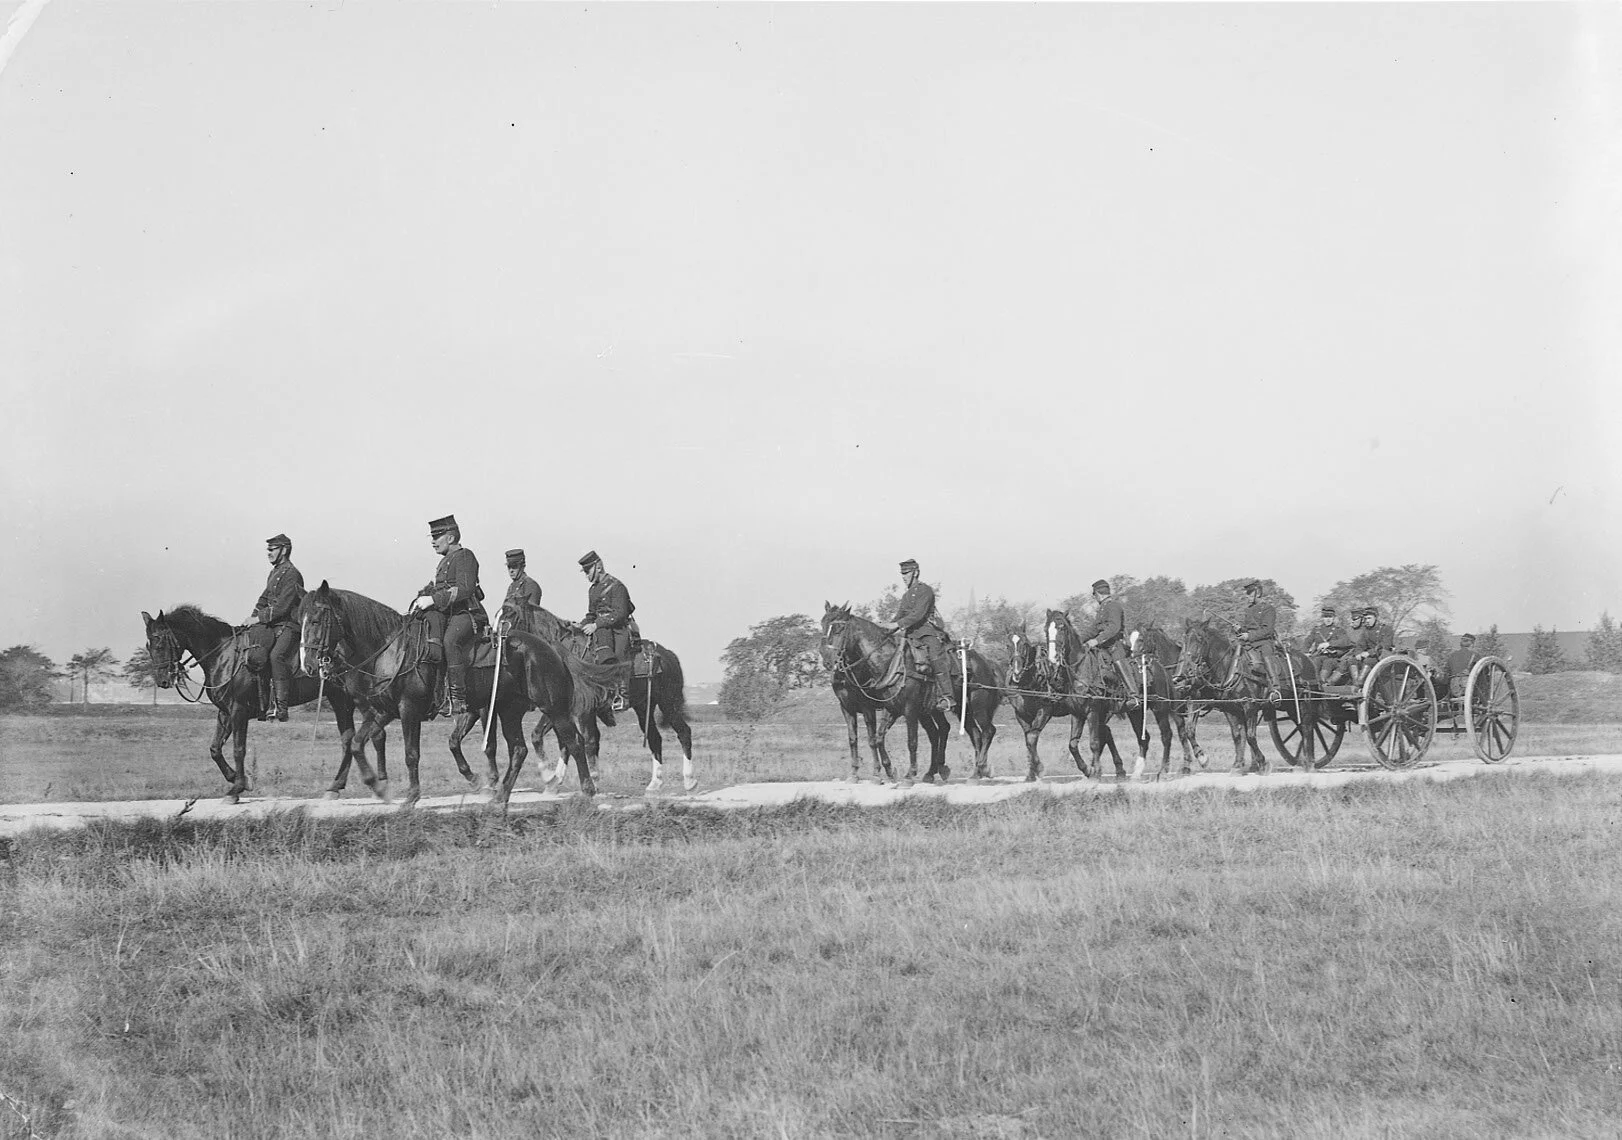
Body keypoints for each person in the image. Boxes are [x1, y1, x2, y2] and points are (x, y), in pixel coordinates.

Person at [409, 515, 487, 716]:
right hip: (448, 613)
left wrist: (433, 600)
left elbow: (464, 589)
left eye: (437, 536)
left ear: (450, 538)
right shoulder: (445, 560)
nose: (433, 541)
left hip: (467, 613)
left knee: (450, 641)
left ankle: (457, 699)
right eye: (432, 537)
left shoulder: (464, 556)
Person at [244, 533, 304, 722]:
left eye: (272, 549)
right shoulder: (275, 572)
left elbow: (282, 607)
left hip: (289, 625)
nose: (268, 553)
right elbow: (264, 599)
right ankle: (262, 704)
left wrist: (258, 619)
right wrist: (252, 617)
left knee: (275, 656)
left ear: (284, 550)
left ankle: (281, 707)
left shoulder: (292, 574)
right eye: (268, 550)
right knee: (255, 652)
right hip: (273, 625)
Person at [885, 558, 956, 712]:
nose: (903, 577)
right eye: (902, 574)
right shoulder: (906, 596)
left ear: (915, 572)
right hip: (909, 636)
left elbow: (918, 614)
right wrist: (885, 629)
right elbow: (899, 615)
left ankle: (947, 697)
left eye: (906, 573)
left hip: (926, 632)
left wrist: (897, 624)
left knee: (937, 658)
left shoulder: (925, 590)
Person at [579, 550, 635, 710]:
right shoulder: (593, 589)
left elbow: (620, 613)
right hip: (601, 630)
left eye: (588, 571)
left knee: (618, 655)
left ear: (598, 566)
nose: (587, 576)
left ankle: (622, 695)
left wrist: (597, 625)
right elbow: (591, 614)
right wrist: (581, 624)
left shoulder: (617, 587)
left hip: (618, 629)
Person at [1078, 579, 1140, 708]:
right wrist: (1078, 640)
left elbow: (1114, 628)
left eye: (1094, 595)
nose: (1094, 598)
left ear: (1098, 594)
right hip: (1102, 647)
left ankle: (1134, 696)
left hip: (1115, 645)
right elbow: (1094, 629)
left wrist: (1096, 640)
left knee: (1118, 660)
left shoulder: (1113, 606)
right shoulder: (1102, 608)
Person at [1234, 579, 1285, 701]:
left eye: (1250, 594)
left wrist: (1249, 636)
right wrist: (1240, 629)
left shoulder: (1268, 609)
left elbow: (1268, 630)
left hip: (1264, 642)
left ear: (1258, 593)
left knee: (1267, 657)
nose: (1248, 597)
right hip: (1248, 643)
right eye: (1247, 594)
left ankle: (1275, 690)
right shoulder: (1249, 609)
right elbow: (1247, 628)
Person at [1303, 606, 1355, 685]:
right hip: (1319, 655)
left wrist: (1329, 644)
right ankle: (1312, 683)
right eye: (1326, 617)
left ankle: (1321, 684)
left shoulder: (1339, 630)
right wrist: (1305, 652)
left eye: (1330, 617)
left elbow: (1345, 642)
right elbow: (1308, 641)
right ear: (1322, 618)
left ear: (1334, 618)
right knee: (1313, 662)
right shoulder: (1317, 630)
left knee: (1326, 663)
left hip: (1333, 657)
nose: (1328, 619)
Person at [502, 548, 543, 632]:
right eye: (509, 567)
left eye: (514, 567)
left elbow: (530, 617)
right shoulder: (512, 587)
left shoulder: (530, 585)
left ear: (523, 566)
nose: (511, 570)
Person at [1445, 633, 1483, 699]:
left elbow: (1447, 671)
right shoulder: (1475, 655)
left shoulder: (1452, 655)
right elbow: (1484, 672)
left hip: (1454, 688)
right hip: (1469, 687)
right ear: (1472, 643)